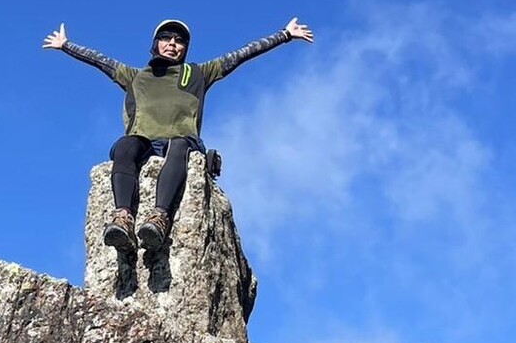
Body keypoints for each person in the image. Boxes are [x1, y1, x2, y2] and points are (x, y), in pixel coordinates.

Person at [42, 16, 314, 253]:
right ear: (155, 43)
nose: (172, 43)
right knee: (124, 147)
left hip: (180, 142)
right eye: (166, 38)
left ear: (185, 48)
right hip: (144, 141)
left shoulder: (197, 73)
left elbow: (241, 54)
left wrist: (285, 35)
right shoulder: (135, 76)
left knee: (179, 143)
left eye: (179, 40)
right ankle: (122, 217)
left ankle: (159, 218)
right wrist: (66, 45)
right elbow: (100, 60)